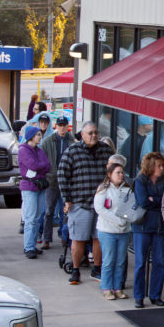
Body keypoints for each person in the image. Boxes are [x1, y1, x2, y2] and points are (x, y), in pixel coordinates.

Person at [58, 120, 114, 285]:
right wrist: (67, 199)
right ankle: (75, 270)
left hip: (102, 204)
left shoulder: (106, 151)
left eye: (96, 132)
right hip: (80, 202)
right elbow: (62, 175)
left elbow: (114, 173)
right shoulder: (72, 151)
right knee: (78, 238)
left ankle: (97, 268)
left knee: (99, 238)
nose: (94, 135)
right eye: (90, 133)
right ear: (82, 135)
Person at [133, 151, 164, 308]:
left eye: (162, 165)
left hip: (159, 227)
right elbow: (142, 201)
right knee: (140, 262)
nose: (161, 168)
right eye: (158, 166)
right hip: (142, 226)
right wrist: (157, 201)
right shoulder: (141, 180)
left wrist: (153, 199)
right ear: (150, 166)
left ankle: (155, 295)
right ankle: (139, 296)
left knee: (159, 262)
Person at [93, 162, 132, 301]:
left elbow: (131, 206)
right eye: (117, 173)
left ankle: (118, 287)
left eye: (122, 172)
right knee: (109, 260)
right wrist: (117, 220)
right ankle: (107, 288)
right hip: (107, 231)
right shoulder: (103, 189)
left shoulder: (127, 189)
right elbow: (99, 208)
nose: (120, 175)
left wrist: (126, 220)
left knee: (120, 261)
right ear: (109, 174)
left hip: (123, 232)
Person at [39, 116, 74, 250]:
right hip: (52, 181)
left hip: (67, 181)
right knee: (49, 211)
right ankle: (46, 238)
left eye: (64, 125)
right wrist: (47, 174)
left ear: (67, 126)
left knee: (65, 211)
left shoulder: (72, 141)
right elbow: (42, 159)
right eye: (60, 125)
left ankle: (64, 236)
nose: (62, 128)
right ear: (56, 126)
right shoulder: (48, 141)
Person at [18, 126, 51, 259]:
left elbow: (48, 165)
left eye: (39, 134)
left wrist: (39, 167)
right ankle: (28, 247)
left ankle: (32, 245)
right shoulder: (23, 150)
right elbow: (33, 165)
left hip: (40, 185)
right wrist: (40, 166)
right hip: (29, 186)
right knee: (30, 219)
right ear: (31, 136)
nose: (40, 136)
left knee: (37, 218)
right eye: (37, 134)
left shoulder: (40, 150)